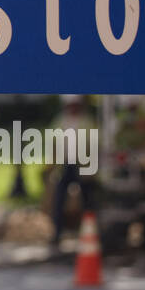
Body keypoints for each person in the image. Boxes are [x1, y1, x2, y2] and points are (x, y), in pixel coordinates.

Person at [50, 96, 96, 248]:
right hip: (65, 164)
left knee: (87, 200)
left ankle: (89, 231)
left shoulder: (86, 122)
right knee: (59, 199)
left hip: (81, 164)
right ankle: (57, 233)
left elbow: (93, 142)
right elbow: (53, 141)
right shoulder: (61, 121)